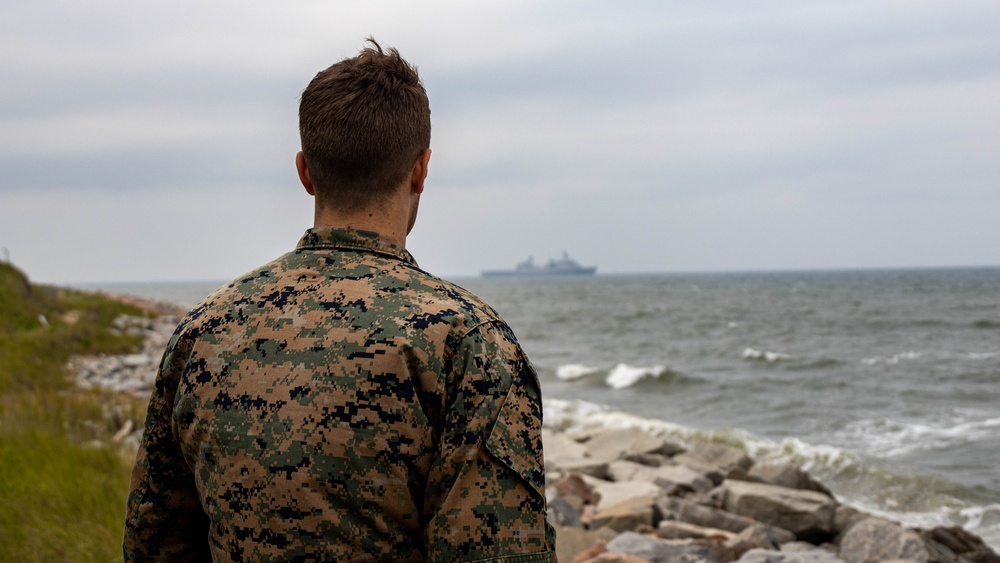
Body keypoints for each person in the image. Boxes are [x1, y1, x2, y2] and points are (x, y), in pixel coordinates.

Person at [124, 39, 556, 562]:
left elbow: (154, 542)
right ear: (420, 169)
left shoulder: (204, 330)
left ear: (305, 172)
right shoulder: (466, 342)